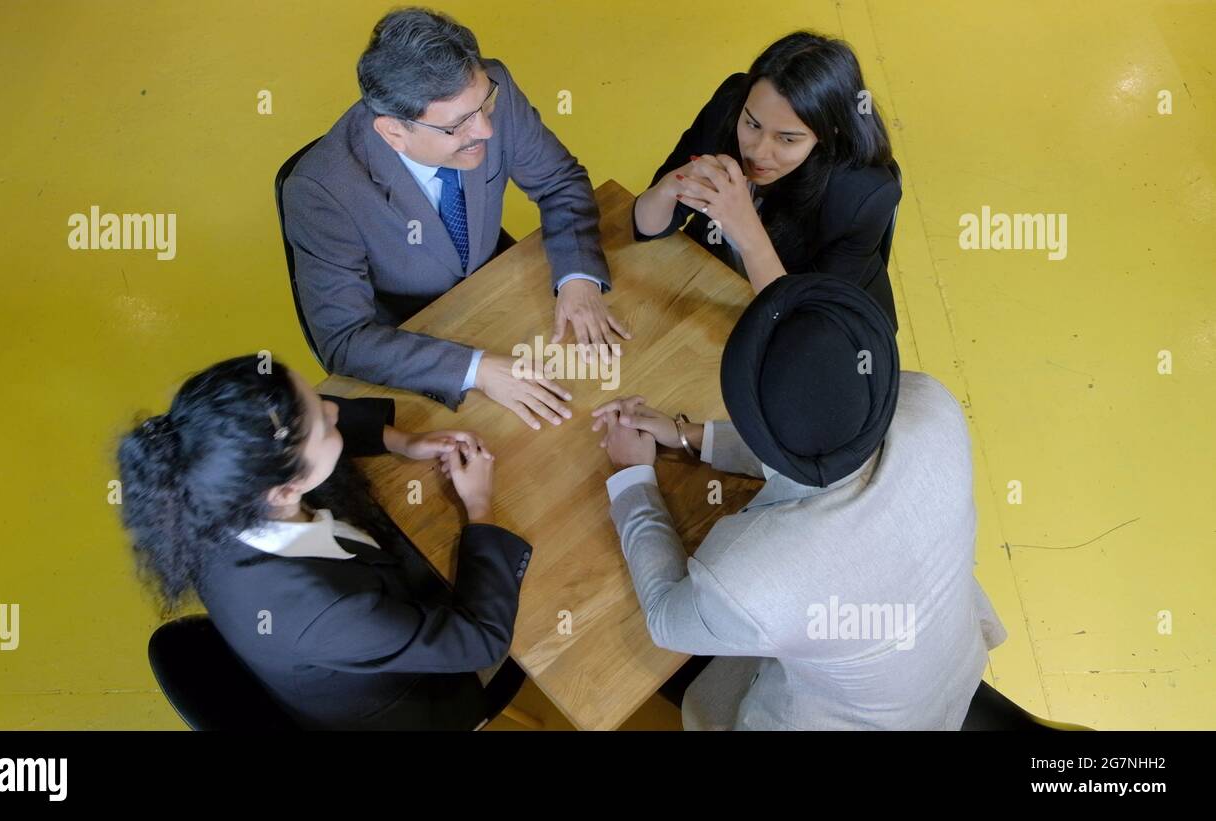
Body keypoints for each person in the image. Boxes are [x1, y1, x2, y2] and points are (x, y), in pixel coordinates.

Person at [591, 275, 1006, 729]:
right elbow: (839, 440)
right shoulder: (930, 403)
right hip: (951, 660)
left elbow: (666, 619)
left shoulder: (753, 581)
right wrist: (690, 436)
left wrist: (632, 478)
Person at [116, 354, 532, 729]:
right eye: (323, 422)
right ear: (285, 491)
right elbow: (481, 640)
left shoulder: (211, 496)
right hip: (414, 709)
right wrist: (479, 505)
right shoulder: (329, 613)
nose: (332, 408)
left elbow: (288, 424)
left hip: (348, 639)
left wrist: (400, 441)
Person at [283, 7, 629, 427]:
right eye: (460, 124)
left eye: (486, 105)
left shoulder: (486, 87)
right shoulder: (320, 191)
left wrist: (577, 277)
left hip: (500, 292)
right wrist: (476, 369)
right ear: (394, 132)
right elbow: (344, 340)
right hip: (417, 338)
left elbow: (559, 181)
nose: (485, 129)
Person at [632, 31, 901, 328]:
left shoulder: (864, 196)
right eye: (752, 124)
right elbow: (646, 227)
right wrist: (672, 185)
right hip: (716, 283)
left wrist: (747, 231)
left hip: (813, 319)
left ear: (827, 134)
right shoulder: (729, 106)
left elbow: (806, 324)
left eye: (787, 139)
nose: (758, 152)